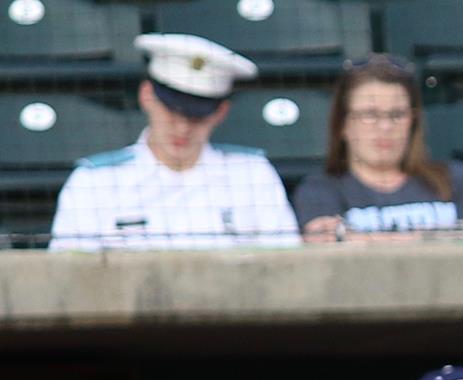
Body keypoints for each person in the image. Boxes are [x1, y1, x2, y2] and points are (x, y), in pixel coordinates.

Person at [47, 34, 300, 252]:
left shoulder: (251, 174)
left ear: (220, 112)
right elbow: (67, 280)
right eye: (171, 111)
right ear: (146, 96)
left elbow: (286, 269)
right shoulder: (94, 181)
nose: (182, 128)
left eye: (197, 115)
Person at [294, 55, 463, 243]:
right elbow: (325, 244)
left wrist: (363, 240)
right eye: (370, 114)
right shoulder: (319, 190)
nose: (385, 127)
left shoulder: (458, 179)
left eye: (397, 114)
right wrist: (441, 238)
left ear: (413, 121)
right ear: (343, 124)